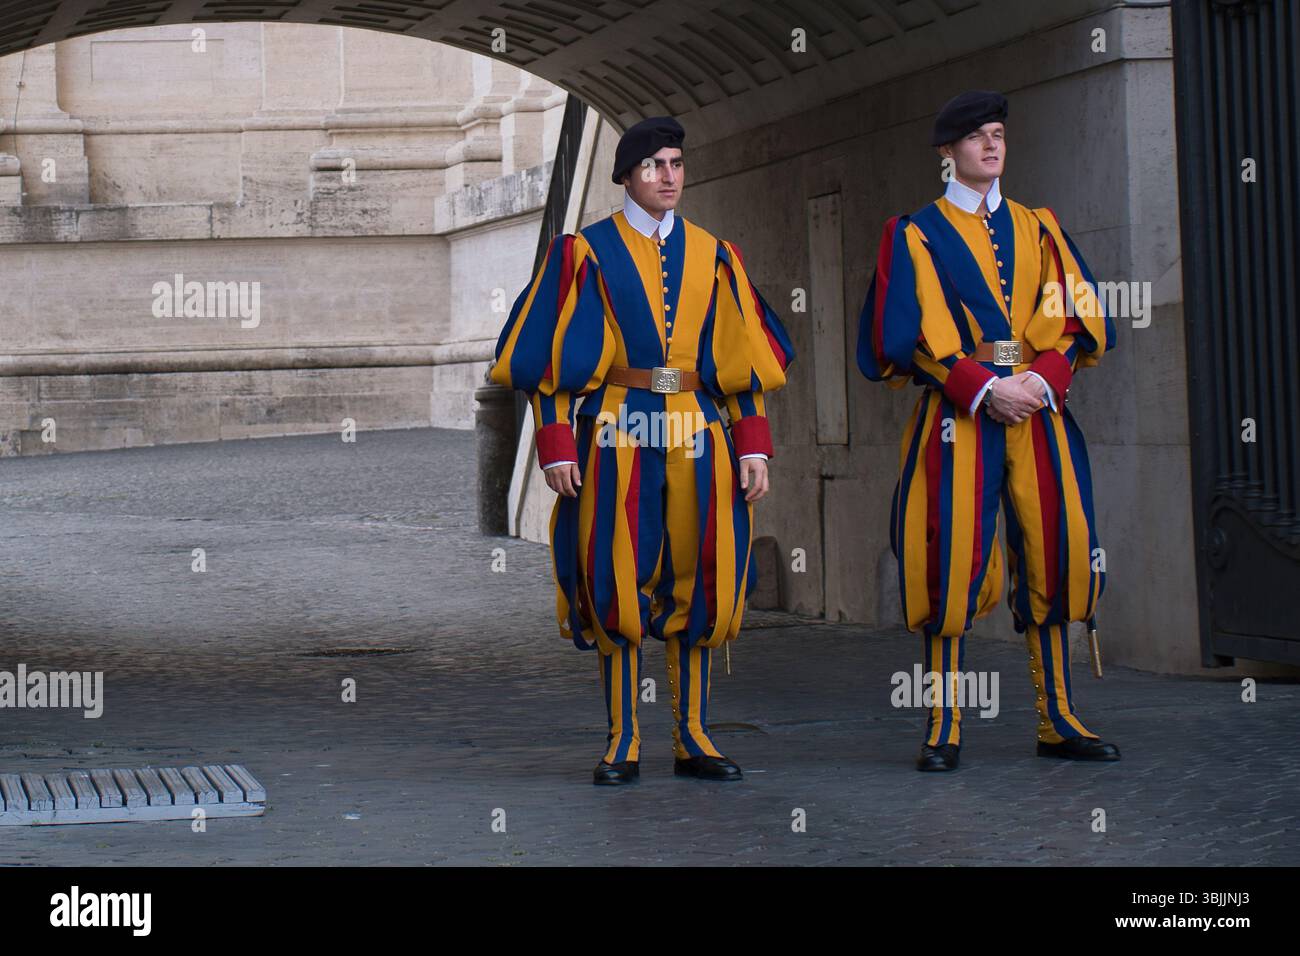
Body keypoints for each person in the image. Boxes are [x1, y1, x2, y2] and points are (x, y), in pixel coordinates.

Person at [492, 116, 795, 785]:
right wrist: (556, 444)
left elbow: (740, 362)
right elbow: (549, 360)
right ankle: (623, 739)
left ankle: (694, 736)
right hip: (617, 426)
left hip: (699, 427)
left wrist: (753, 445)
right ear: (626, 175)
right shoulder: (586, 252)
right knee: (617, 575)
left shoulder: (715, 253)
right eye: (654, 165)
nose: (668, 176)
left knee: (703, 572)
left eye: (676, 164)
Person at [857, 90, 1120, 772]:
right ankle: (943, 724)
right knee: (948, 562)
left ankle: (1058, 718)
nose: (992, 144)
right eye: (977, 136)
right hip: (958, 417)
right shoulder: (915, 233)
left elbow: (1076, 318)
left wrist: (1042, 379)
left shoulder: (1040, 226)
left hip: (1038, 410)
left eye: (998, 133)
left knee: (1056, 551)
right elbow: (903, 337)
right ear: (949, 152)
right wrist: (982, 388)